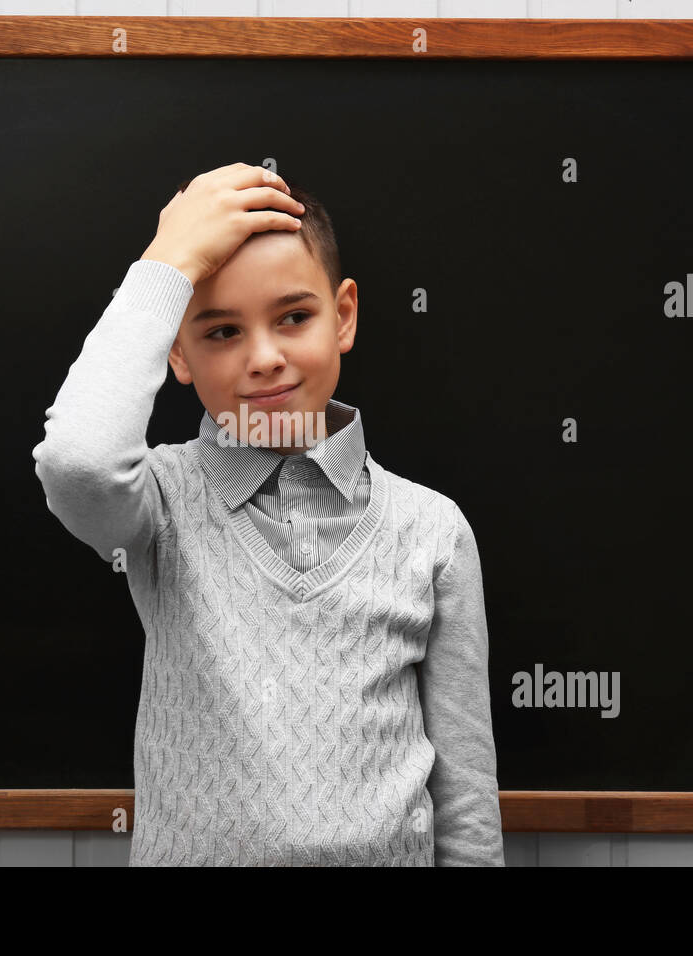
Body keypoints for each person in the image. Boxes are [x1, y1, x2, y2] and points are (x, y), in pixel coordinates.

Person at [31, 162, 503, 866]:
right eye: (220, 332)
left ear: (342, 315)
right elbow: (76, 461)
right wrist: (167, 263)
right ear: (178, 355)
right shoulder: (160, 505)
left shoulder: (432, 530)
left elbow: (465, 796)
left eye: (293, 317)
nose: (264, 358)